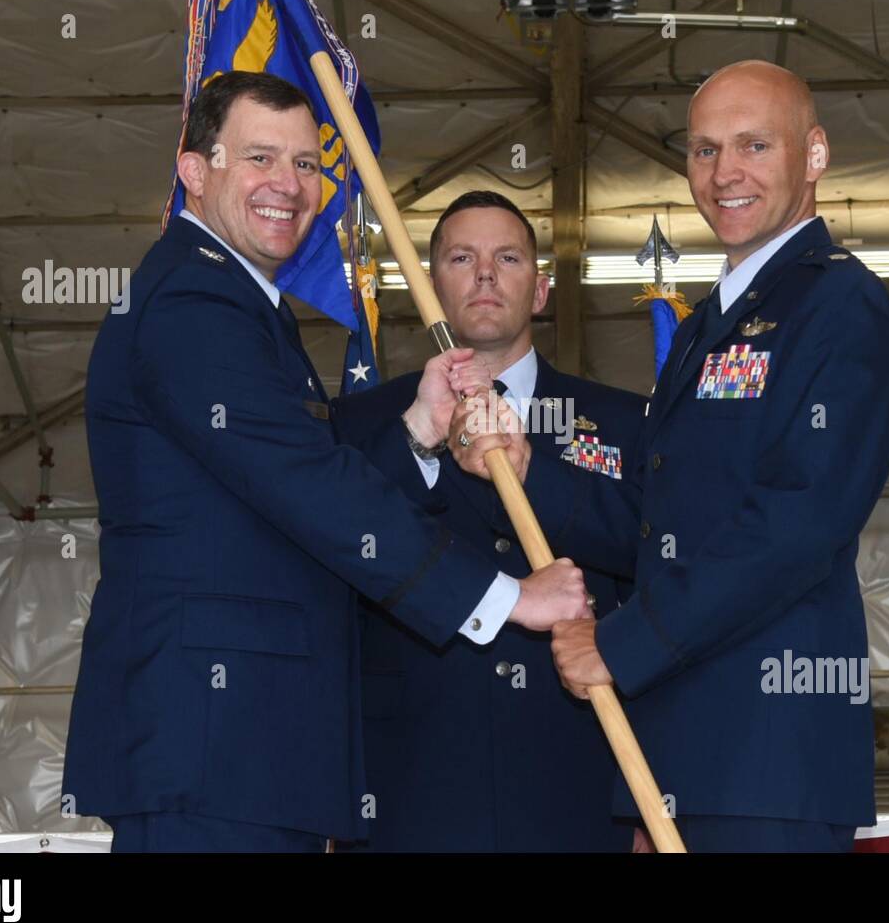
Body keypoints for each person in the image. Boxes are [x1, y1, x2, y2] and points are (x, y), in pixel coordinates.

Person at [62, 72, 588, 853]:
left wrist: (416, 429)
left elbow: (284, 484)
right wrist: (508, 598)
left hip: (248, 751)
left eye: (307, 165)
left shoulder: (243, 306)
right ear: (194, 172)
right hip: (215, 748)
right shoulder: (192, 303)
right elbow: (308, 488)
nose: (289, 185)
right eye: (260, 158)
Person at [449, 61, 889, 852]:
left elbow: (796, 526)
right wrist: (529, 470)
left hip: (768, 760)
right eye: (703, 151)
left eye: (753, 145)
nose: (724, 173)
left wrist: (622, 647)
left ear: (816, 155)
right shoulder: (707, 324)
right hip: (683, 758)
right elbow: (661, 517)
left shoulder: (840, 304)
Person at [330, 191, 644, 851]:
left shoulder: (622, 421)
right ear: (433, 285)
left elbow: (653, 563)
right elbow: (343, 554)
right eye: (461, 258)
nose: (484, 274)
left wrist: (648, 797)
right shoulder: (364, 424)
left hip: (578, 777)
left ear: (540, 290)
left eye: (507, 257)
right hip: (414, 782)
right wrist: (419, 442)